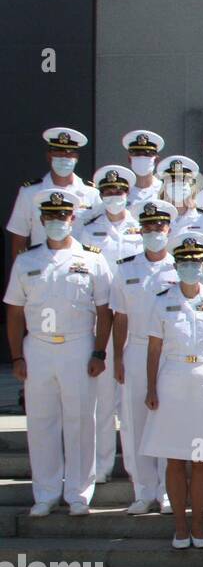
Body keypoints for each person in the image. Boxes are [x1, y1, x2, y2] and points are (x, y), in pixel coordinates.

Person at [4, 188, 113, 516]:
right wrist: (17, 357)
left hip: (78, 345)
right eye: (50, 216)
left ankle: (79, 493)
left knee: (81, 420)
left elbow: (105, 310)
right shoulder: (26, 260)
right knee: (41, 421)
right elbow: (13, 312)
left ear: (73, 218)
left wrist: (99, 353)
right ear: (41, 219)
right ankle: (46, 493)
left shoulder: (92, 258)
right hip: (37, 347)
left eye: (62, 216)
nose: (57, 221)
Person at [141, 232, 203, 548]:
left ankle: (198, 525)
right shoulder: (162, 302)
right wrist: (150, 388)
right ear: (176, 265)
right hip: (171, 379)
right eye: (185, 261)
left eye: (196, 262)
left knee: (200, 459)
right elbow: (153, 348)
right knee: (175, 459)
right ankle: (179, 525)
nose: (190, 266)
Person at [77, 165, 143, 484]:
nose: (114, 197)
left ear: (127, 194)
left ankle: (135, 468)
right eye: (108, 193)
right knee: (102, 401)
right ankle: (101, 466)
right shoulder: (87, 228)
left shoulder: (141, 227)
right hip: (101, 320)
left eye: (119, 192)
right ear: (101, 195)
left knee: (130, 404)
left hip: (133, 322)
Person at [113, 200, 179, 515]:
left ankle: (167, 490)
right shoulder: (126, 268)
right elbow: (120, 317)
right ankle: (142, 490)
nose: (155, 231)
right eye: (149, 226)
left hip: (170, 351)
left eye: (160, 226)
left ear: (170, 229)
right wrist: (117, 358)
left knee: (166, 421)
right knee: (134, 422)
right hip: (137, 348)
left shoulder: (181, 267)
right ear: (141, 229)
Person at [7, 127, 96, 261]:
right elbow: (19, 239)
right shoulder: (29, 192)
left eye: (69, 153)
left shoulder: (92, 193)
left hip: (79, 269)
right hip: (39, 269)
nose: (64, 158)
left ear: (76, 157)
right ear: (49, 156)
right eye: (58, 153)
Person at [121, 130, 164, 205]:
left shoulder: (164, 190)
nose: (142, 157)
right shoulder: (120, 192)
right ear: (129, 159)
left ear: (156, 159)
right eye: (137, 154)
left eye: (147, 154)